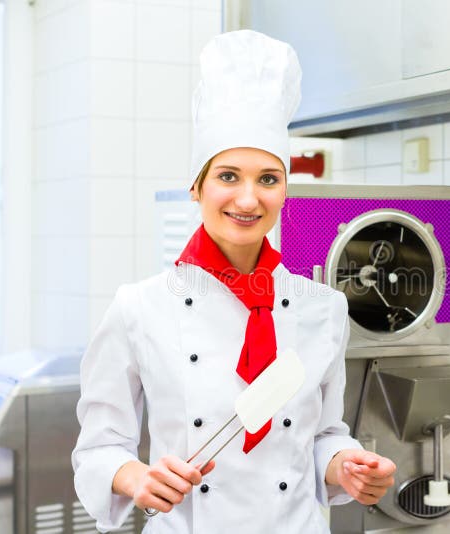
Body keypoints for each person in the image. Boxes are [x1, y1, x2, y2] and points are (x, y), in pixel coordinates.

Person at [72, 30, 396, 533]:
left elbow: (323, 435)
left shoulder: (323, 309)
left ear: (285, 191)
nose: (248, 200)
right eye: (228, 176)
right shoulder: (140, 307)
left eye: (268, 178)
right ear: (196, 186)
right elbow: (98, 447)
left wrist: (346, 466)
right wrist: (135, 476)